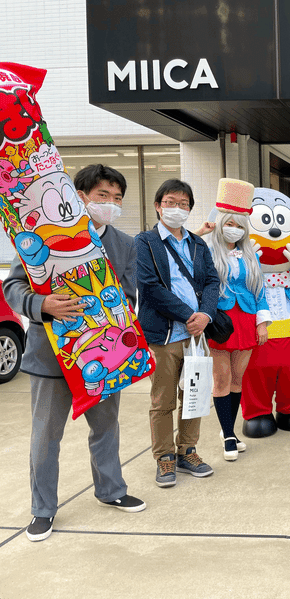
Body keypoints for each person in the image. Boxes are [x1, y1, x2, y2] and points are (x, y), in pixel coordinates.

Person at [4, 164, 145, 543]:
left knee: (106, 428)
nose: (110, 204)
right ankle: (42, 509)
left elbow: (129, 294)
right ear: (79, 196)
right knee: (46, 435)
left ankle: (111, 490)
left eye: (117, 198)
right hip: (51, 358)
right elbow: (13, 286)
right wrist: (43, 304)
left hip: (104, 355)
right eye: (103, 196)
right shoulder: (43, 235)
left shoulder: (125, 244)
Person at [135, 179, 220, 487]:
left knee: (194, 396)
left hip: (196, 337)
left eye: (184, 204)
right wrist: (189, 315)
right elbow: (149, 287)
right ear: (158, 205)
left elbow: (212, 282)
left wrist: (206, 315)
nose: (177, 209)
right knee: (162, 401)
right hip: (163, 335)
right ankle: (164, 457)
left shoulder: (198, 244)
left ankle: (187, 450)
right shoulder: (145, 242)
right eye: (171, 202)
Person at [196, 181, 270, 461]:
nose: (234, 229)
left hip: (247, 319)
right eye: (229, 223)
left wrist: (262, 322)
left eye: (239, 224)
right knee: (222, 378)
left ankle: (230, 429)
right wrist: (200, 233)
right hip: (220, 320)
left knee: (238, 379)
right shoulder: (204, 250)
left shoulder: (251, 254)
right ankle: (228, 435)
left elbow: (259, 288)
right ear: (220, 223)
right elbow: (177, 254)